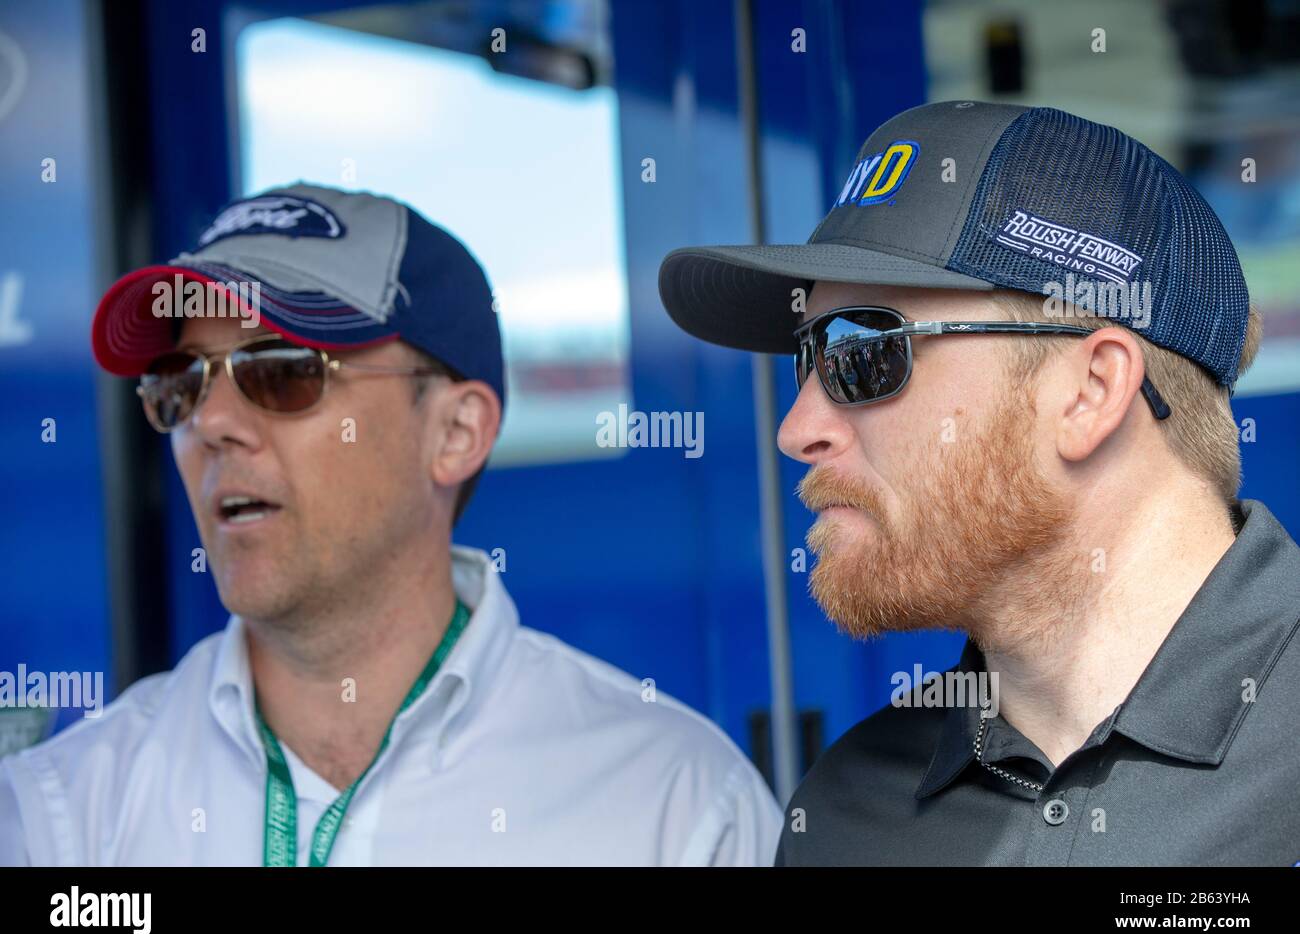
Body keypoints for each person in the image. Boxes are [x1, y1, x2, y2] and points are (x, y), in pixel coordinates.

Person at [0, 183, 780, 866]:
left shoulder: (675, 806)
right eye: (180, 384)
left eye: (281, 370)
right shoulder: (56, 816)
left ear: (456, 433)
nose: (211, 421)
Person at [658, 101, 1300, 865]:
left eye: (862, 352)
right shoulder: (845, 818)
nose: (797, 430)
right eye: (808, 356)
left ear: (1093, 390)